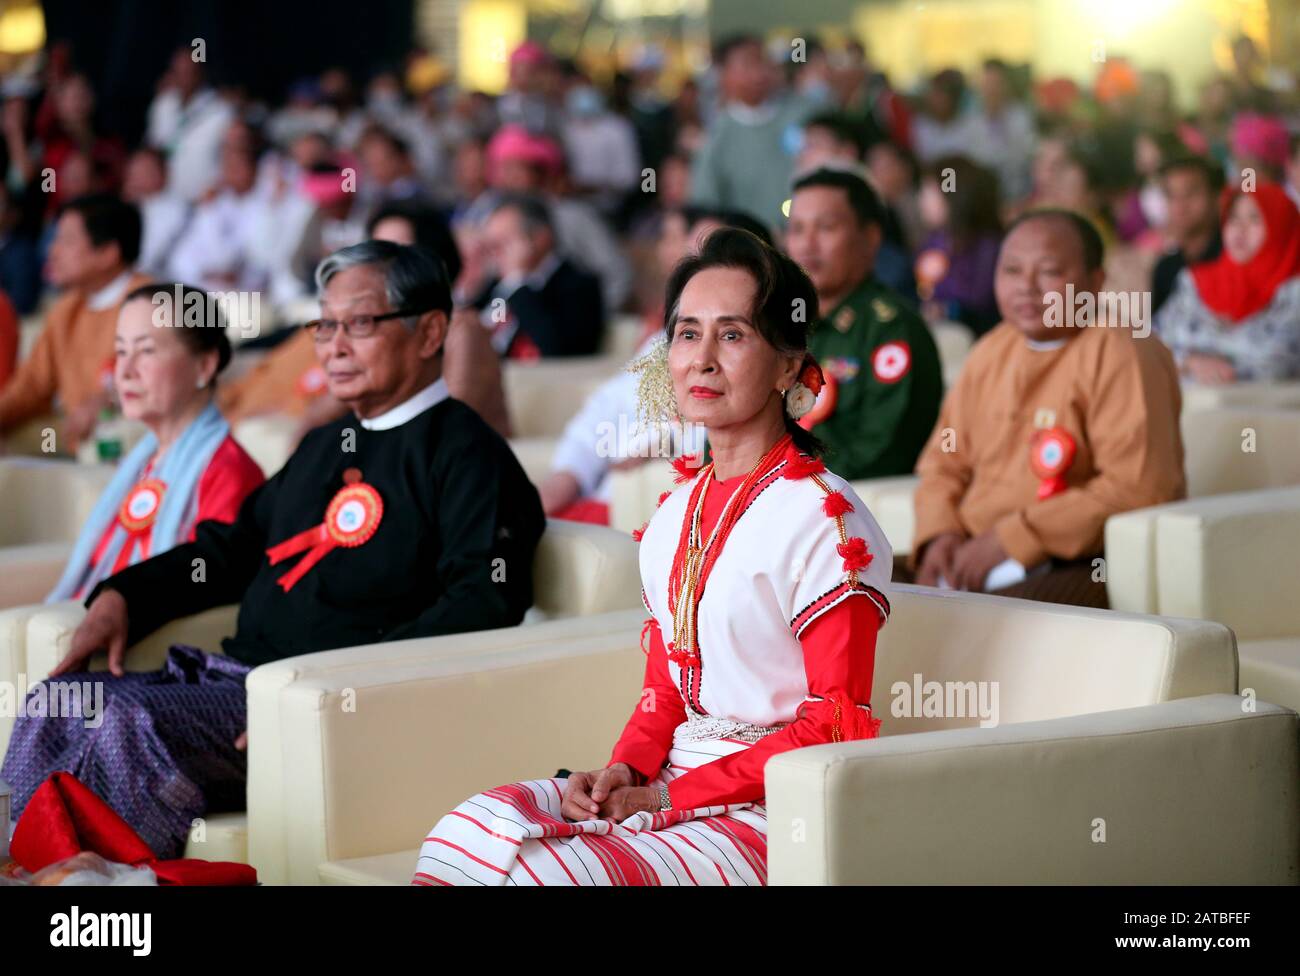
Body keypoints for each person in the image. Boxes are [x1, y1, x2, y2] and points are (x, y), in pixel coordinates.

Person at [2, 241, 546, 858]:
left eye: (360, 324)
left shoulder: (470, 457)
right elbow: (231, 550)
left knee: (125, 724)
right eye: (325, 324)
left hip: (325, 706)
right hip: (230, 683)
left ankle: (107, 899)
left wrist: (323, 689)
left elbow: (484, 601)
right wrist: (124, 596)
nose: (334, 345)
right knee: (58, 699)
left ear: (429, 332)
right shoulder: (325, 445)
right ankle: (31, 870)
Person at [415, 228, 892, 886]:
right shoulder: (676, 513)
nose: (701, 359)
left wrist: (670, 798)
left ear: (788, 363)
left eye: (733, 335)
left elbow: (834, 725)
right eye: (688, 334)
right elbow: (664, 694)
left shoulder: (824, 521)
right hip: (670, 784)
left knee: (542, 876)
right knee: (463, 829)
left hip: (772, 808)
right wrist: (625, 771)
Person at [910, 210, 1185, 608]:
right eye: (1012, 270)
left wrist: (1014, 539)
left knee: (991, 622)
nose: (1027, 288)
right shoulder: (991, 350)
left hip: (1078, 561)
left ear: (1095, 281)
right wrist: (939, 535)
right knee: (861, 589)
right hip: (971, 554)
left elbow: (1138, 488)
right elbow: (942, 463)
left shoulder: (1124, 351)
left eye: (1049, 272)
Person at [46, 284, 264, 602]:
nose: (125, 372)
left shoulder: (229, 472)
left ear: (204, 366)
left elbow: (210, 591)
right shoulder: (142, 462)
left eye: (146, 351)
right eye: (121, 351)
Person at [220, 202, 510, 440]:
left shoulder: (462, 328)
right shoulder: (375, 327)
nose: (381, 266)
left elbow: (451, 424)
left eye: (398, 252)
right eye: (376, 252)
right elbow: (324, 412)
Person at [785, 167, 943, 480]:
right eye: (797, 229)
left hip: (843, 507)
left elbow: (880, 454)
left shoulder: (891, 329)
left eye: (826, 227)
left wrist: (781, 479)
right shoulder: (778, 323)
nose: (807, 244)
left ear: (870, 237)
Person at [0, 194, 148, 450]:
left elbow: (163, 385)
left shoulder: (153, 304)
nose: (52, 251)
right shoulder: (65, 309)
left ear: (108, 254)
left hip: (131, 443)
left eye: (66, 241)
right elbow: (30, 388)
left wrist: (110, 399)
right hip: (72, 435)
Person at [1155, 181, 1300, 382]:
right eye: (1233, 218)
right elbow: (1152, 342)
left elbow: (1277, 363)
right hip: (1192, 409)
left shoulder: (1293, 294)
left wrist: (1214, 359)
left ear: (1281, 227)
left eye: (1255, 219)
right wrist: (1190, 361)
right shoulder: (1195, 282)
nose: (1240, 228)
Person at [689, 34, 815, 229]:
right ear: (724, 75)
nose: (760, 72)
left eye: (763, 60)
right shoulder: (718, 135)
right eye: (748, 64)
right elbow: (705, 201)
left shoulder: (805, 113)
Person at [469, 192, 605, 358]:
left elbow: (558, 352)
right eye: (492, 246)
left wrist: (517, 282)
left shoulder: (579, 286)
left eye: (504, 243)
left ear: (541, 238)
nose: (495, 254)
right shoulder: (498, 282)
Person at [916, 155, 1003, 334]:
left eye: (929, 191)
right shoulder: (933, 241)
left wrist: (947, 310)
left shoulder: (987, 246)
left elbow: (982, 306)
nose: (921, 200)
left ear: (952, 196)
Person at [1150, 155, 1224, 316]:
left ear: (1217, 198)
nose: (1179, 206)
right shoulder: (1166, 269)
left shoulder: (1234, 260)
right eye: (1171, 195)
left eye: (1190, 193)